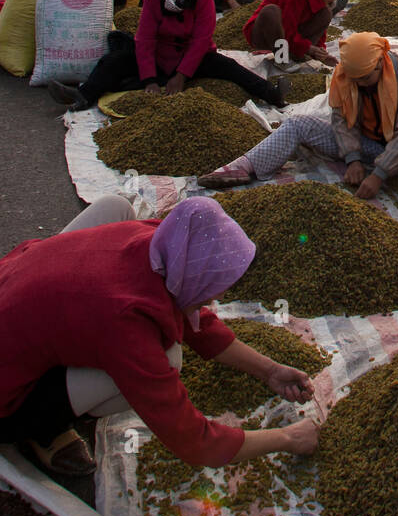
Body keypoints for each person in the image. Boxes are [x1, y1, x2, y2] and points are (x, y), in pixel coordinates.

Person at [0, 195, 318, 474]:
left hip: (15, 289)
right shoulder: (126, 321)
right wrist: (288, 438)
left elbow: (197, 319)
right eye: (211, 293)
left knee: (116, 206)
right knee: (169, 358)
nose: (213, 301)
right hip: (7, 397)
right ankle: (43, 429)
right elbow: (195, 442)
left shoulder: (153, 239)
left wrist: (270, 371)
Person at [198, 32, 398, 236]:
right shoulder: (345, 74)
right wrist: (353, 159)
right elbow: (341, 118)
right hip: (366, 143)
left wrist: (378, 175)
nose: (358, 84)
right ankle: (243, 166)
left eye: (366, 79)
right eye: (354, 79)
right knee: (297, 123)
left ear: (381, 63)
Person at [45, 0, 293, 111]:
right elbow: (144, 38)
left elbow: (201, 39)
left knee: (230, 68)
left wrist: (181, 76)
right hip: (159, 54)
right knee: (115, 60)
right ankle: (82, 95)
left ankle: (271, 94)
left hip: (194, 57)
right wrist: (150, 79)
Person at [243, 0, 351, 67]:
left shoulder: (320, 0)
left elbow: (319, 34)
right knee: (271, 11)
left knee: (326, 13)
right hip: (263, 35)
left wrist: (320, 54)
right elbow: (287, 29)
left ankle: (296, 55)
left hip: (288, 38)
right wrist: (308, 48)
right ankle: (282, 59)